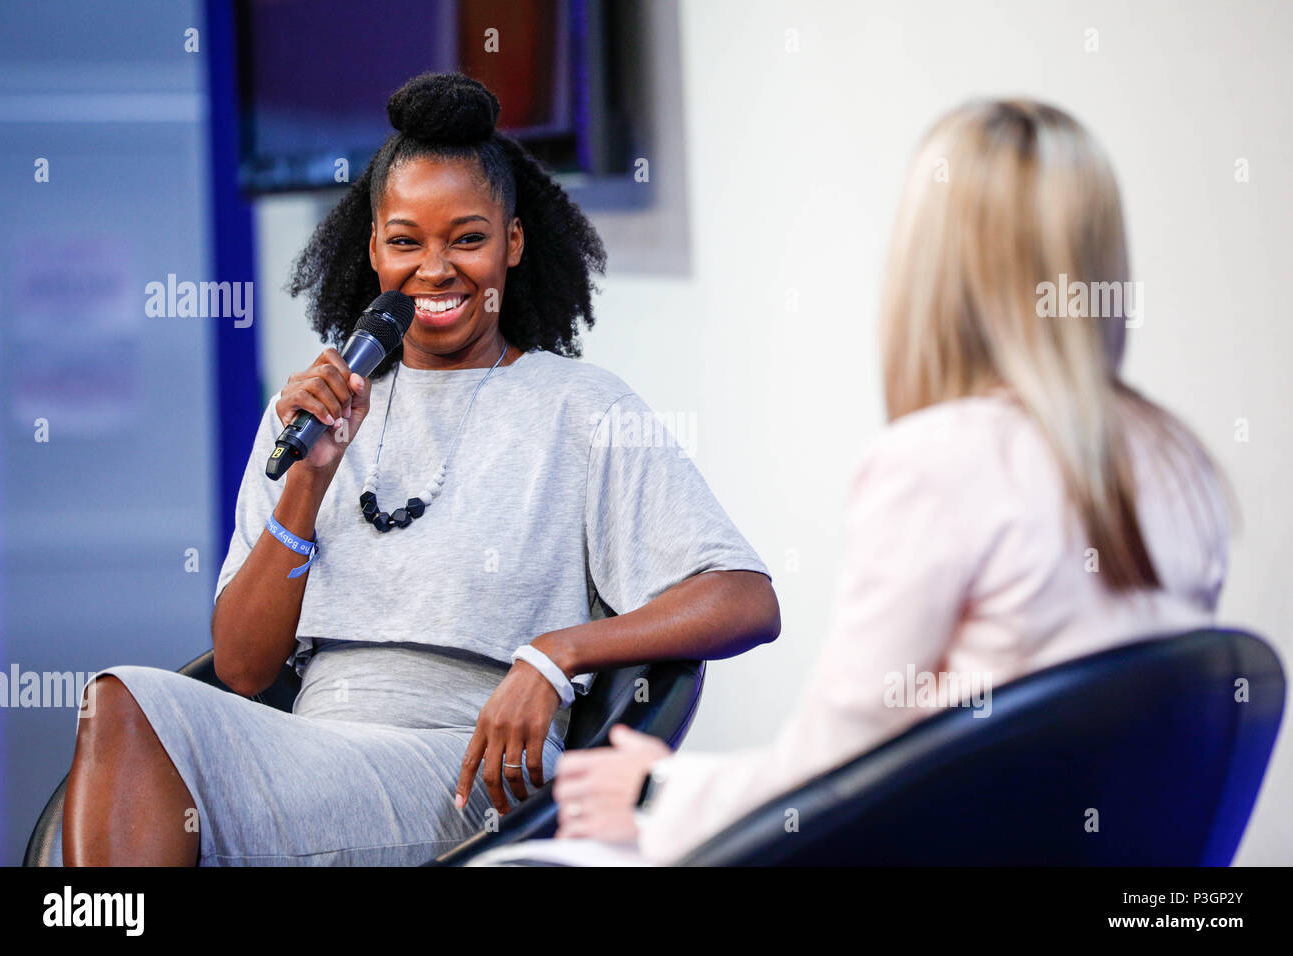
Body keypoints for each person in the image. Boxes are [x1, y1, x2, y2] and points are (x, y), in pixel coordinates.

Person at [479, 98, 1232, 867]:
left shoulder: (942, 463)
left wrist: (652, 793)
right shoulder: (1182, 464)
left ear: (933, 269)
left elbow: (830, 772)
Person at [60, 72, 780, 866]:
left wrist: (558, 651)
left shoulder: (579, 406)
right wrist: (310, 478)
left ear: (511, 242)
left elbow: (745, 597)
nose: (435, 270)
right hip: (312, 748)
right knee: (118, 705)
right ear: (374, 250)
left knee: (125, 715)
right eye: (406, 241)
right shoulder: (313, 413)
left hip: (468, 769)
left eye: (466, 239)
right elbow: (241, 666)